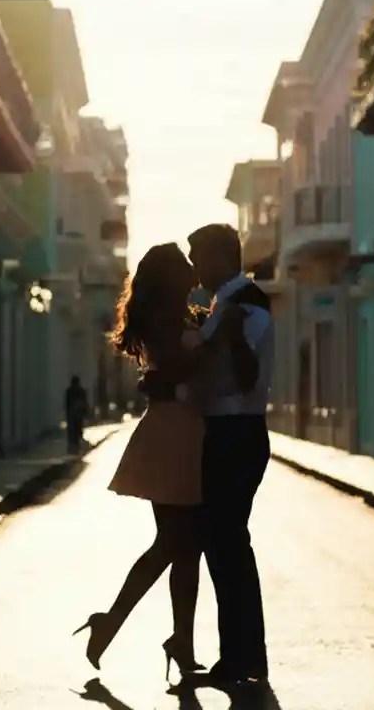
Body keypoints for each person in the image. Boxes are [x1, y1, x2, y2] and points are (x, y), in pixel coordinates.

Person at [73, 243, 247, 681]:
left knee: (186, 549)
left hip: (190, 432)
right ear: (169, 277)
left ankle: (180, 642)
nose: (194, 269)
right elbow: (176, 370)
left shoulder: (185, 316)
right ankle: (114, 621)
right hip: (172, 435)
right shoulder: (161, 323)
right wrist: (217, 339)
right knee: (173, 542)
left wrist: (212, 331)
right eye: (185, 265)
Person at [186, 223, 275, 685]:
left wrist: (230, 337)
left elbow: (243, 377)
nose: (194, 266)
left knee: (228, 546)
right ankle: (238, 658)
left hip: (236, 433)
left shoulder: (247, 307)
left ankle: (244, 660)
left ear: (222, 256)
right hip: (226, 432)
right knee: (224, 547)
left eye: (197, 255)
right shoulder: (224, 303)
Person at [64, 376, 88, 453]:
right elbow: (84, 403)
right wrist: (85, 413)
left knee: (72, 431)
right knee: (78, 429)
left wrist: (67, 413)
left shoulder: (69, 391)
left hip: (71, 414)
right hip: (78, 414)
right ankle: (76, 446)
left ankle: (72, 447)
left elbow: (67, 403)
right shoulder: (81, 391)